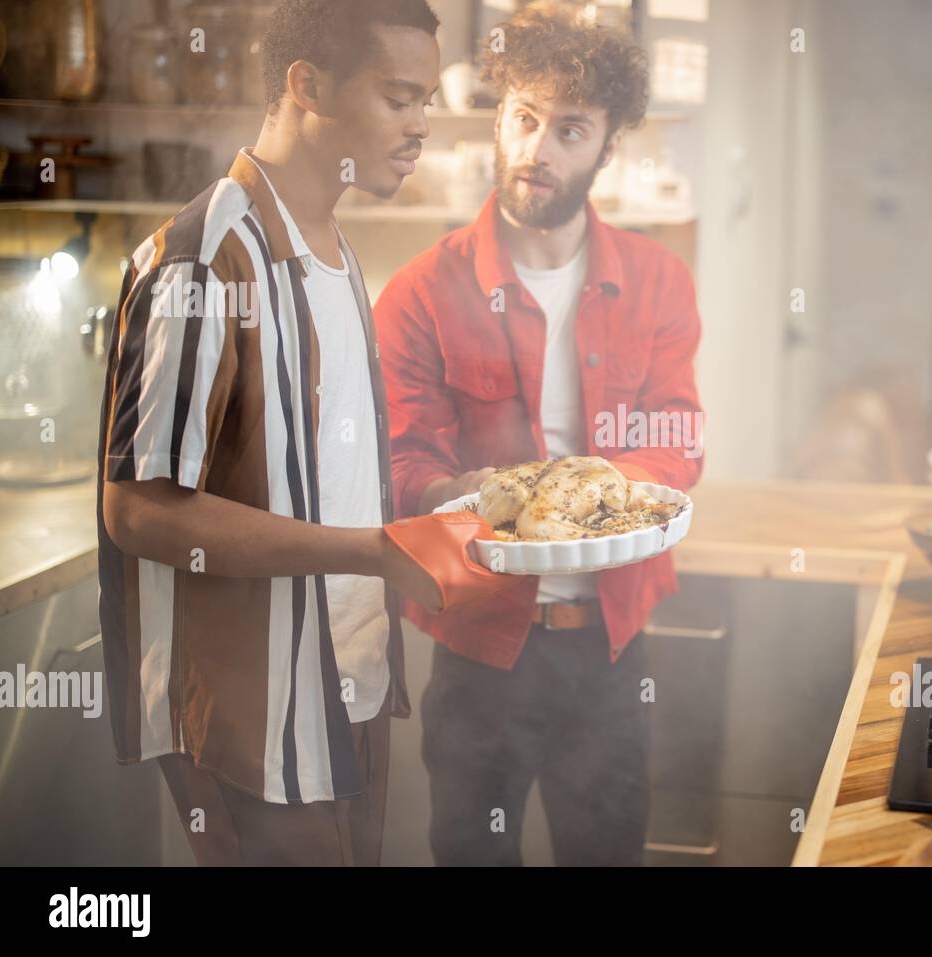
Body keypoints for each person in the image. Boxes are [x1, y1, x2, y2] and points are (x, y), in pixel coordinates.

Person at [96, 0, 507, 866]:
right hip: (251, 706)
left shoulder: (335, 249)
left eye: (427, 101)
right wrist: (372, 549)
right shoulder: (206, 256)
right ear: (306, 85)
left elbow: (324, 471)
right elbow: (138, 509)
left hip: (344, 681)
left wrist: (445, 509)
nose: (421, 126)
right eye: (399, 98)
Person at [374, 1, 705, 865]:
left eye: (569, 129)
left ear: (605, 147)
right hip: (479, 648)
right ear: (497, 117)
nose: (537, 149)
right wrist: (467, 495)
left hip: (609, 647)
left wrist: (586, 494)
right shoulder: (419, 292)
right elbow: (403, 463)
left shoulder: (659, 281)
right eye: (523, 119)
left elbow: (678, 434)